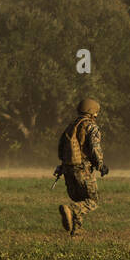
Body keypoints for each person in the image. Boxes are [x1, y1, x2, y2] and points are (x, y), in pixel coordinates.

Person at [55, 98, 107, 237]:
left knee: (80, 199)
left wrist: (62, 167)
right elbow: (95, 147)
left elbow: (61, 148)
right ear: (92, 112)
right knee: (92, 201)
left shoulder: (71, 126)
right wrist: (100, 164)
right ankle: (71, 209)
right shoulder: (91, 126)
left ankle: (77, 231)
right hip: (83, 169)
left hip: (67, 168)